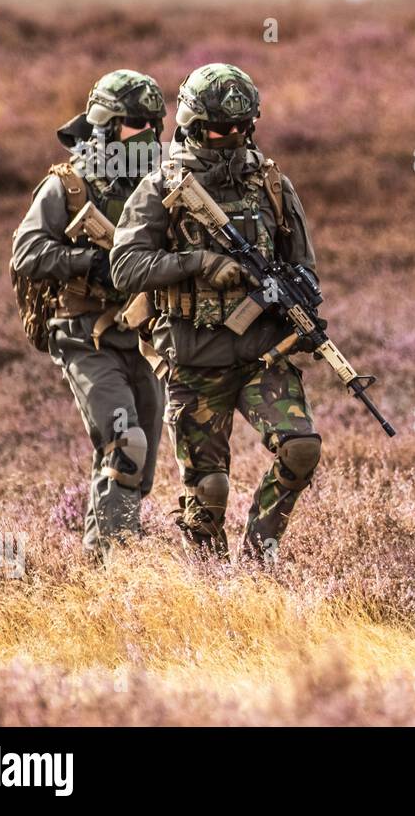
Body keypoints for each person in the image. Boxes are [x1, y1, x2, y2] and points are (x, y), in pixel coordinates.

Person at [111, 63, 321, 562]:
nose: (230, 137)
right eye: (218, 128)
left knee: (301, 450)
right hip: (193, 358)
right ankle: (211, 589)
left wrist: (301, 306)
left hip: (262, 356)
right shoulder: (162, 186)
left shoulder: (271, 184)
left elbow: (303, 265)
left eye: (240, 127)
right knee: (208, 491)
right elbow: (125, 266)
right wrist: (201, 263)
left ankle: (258, 554)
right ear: (192, 123)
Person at [11, 70, 167, 563]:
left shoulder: (162, 184)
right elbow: (27, 251)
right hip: (84, 335)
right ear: (103, 126)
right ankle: (116, 573)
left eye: (151, 124)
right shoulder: (69, 186)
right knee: (126, 442)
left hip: (144, 337)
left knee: (141, 466)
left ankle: (101, 556)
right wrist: (89, 260)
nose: (144, 134)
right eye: (131, 124)